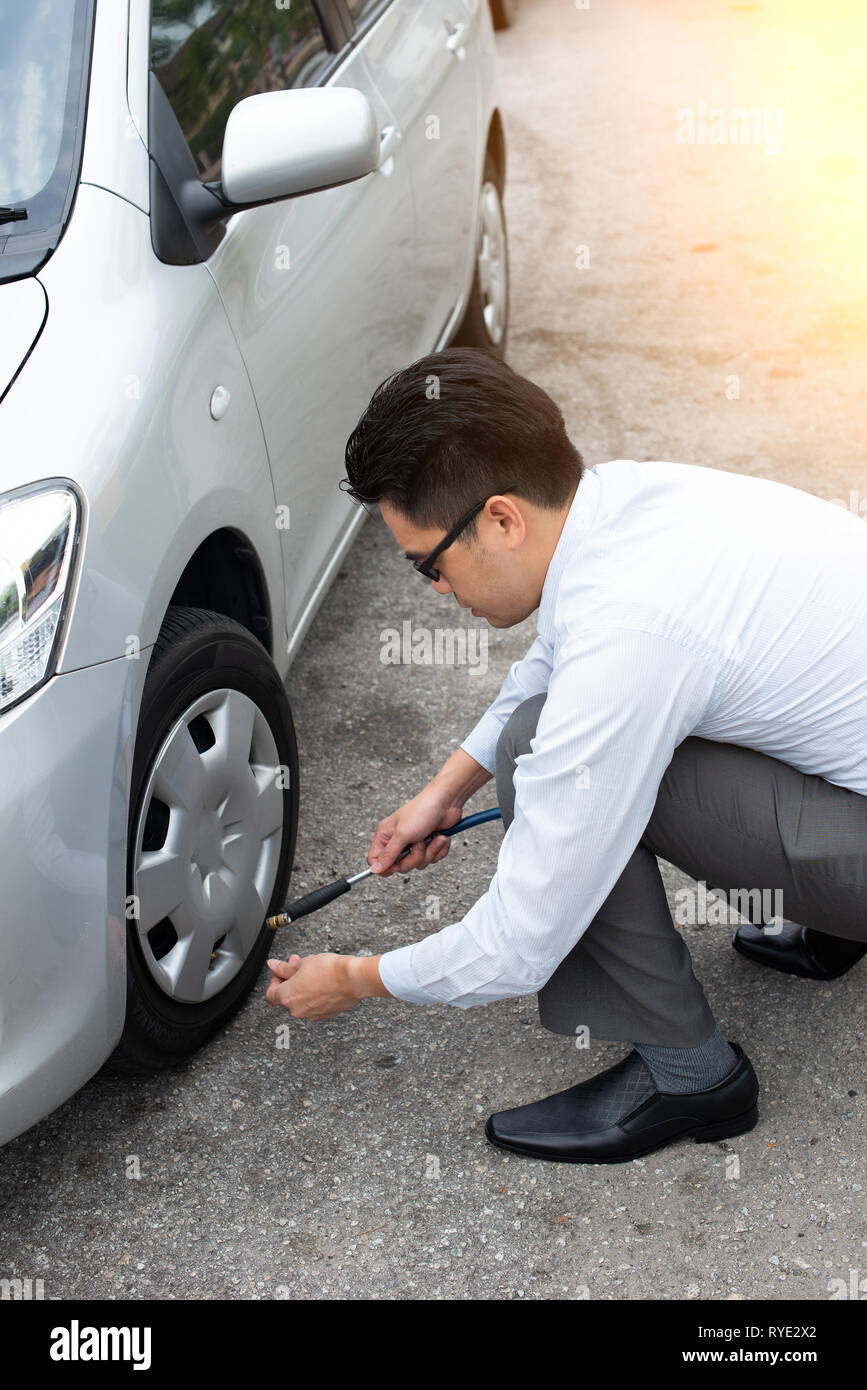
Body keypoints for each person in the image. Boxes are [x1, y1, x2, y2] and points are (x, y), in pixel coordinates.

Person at [265, 347, 867, 1164]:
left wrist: (355, 977)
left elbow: (521, 940)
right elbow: (558, 656)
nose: (437, 592)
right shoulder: (621, 500)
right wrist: (445, 789)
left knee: (558, 762)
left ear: (502, 518)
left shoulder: (634, 627)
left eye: (428, 567)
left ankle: (692, 1078)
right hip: (846, 777)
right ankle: (836, 925)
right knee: (551, 733)